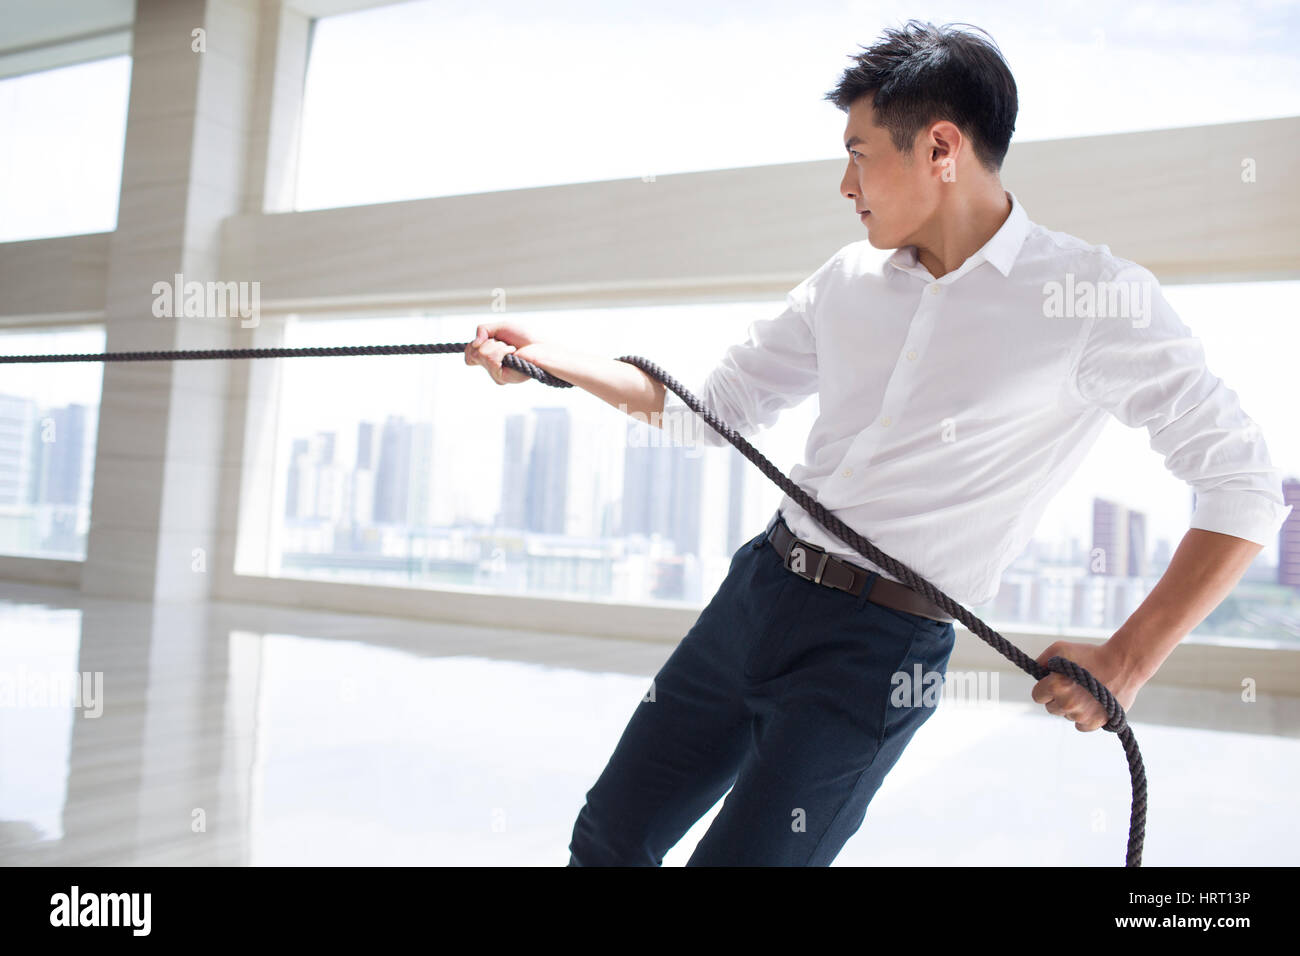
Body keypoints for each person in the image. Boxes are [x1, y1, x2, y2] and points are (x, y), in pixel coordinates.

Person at [464, 20, 1292, 866]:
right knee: (607, 837)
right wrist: (543, 360)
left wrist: (1130, 659)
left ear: (940, 147)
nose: (844, 183)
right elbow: (712, 411)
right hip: (757, 592)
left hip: (877, 656)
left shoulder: (1090, 297)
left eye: (859, 153)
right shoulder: (846, 282)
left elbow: (1242, 483)